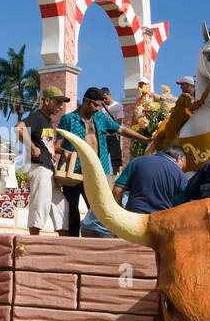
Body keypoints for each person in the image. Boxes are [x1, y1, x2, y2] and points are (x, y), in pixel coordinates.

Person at [57, 87, 149, 235]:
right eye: (95, 105)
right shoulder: (68, 119)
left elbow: (122, 130)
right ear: (86, 101)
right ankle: (72, 244)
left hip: (97, 174)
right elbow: (57, 146)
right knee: (72, 211)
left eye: (100, 105)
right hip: (74, 173)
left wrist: (146, 139)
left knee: (98, 212)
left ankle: (97, 244)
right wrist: (64, 151)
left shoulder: (101, 118)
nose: (97, 108)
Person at [15, 87, 71, 235]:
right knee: (40, 205)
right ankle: (33, 242)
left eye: (62, 102)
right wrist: (32, 147)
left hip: (48, 169)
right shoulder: (37, 117)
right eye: (58, 101)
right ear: (47, 101)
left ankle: (64, 245)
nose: (61, 106)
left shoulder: (47, 121)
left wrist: (62, 151)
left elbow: (46, 146)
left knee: (62, 207)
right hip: (39, 168)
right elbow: (18, 129)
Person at [124, 147, 189, 214]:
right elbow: (181, 205)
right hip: (160, 219)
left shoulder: (136, 162)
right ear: (179, 158)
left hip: (133, 216)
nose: (182, 170)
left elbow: (118, 190)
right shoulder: (181, 175)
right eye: (183, 166)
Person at [100, 87, 124, 174]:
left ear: (109, 95)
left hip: (114, 135)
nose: (104, 100)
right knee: (101, 157)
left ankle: (115, 176)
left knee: (115, 160)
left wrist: (114, 130)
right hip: (103, 136)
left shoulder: (117, 106)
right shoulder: (100, 107)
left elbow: (119, 121)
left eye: (105, 97)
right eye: (102, 98)